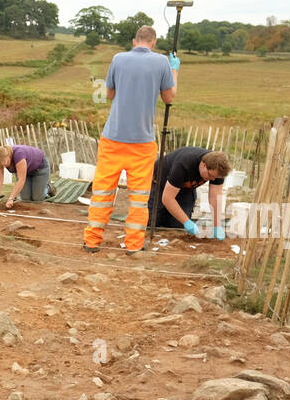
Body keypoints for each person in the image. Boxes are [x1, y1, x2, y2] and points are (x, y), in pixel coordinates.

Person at [82, 25, 178, 255]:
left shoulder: (118, 58)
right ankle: (134, 245)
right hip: (142, 143)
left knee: (102, 193)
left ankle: (92, 241)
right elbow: (169, 98)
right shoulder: (162, 62)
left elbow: (109, 94)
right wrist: (174, 70)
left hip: (112, 139)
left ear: (134, 41)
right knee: (139, 198)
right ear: (153, 43)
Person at [148, 147, 231, 240]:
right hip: (160, 185)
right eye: (210, 175)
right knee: (152, 222)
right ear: (203, 165)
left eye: (215, 177)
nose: (212, 179)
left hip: (186, 189)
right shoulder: (184, 164)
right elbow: (167, 198)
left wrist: (217, 225)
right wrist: (187, 222)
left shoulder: (217, 170)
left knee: (177, 226)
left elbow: (214, 197)